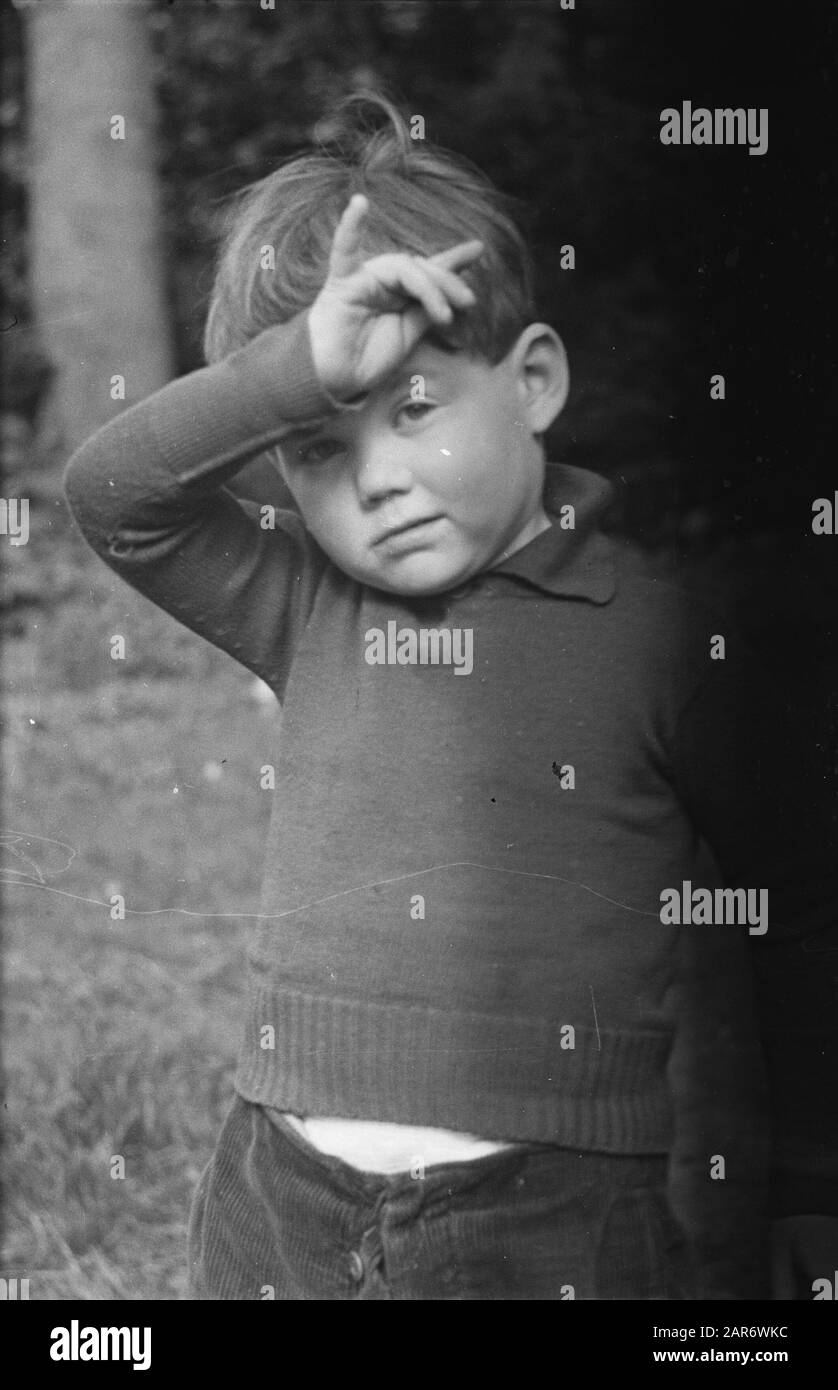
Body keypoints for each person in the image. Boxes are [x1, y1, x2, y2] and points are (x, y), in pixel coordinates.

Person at [63, 93, 836, 1300]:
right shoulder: (308, 602)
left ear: (530, 382)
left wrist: (809, 1184)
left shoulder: (671, 636)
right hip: (280, 1204)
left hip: (560, 1221)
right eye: (321, 444)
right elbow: (112, 496)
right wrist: (291, 372)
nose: (376, 481)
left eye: (414, 409)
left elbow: (797, 913)